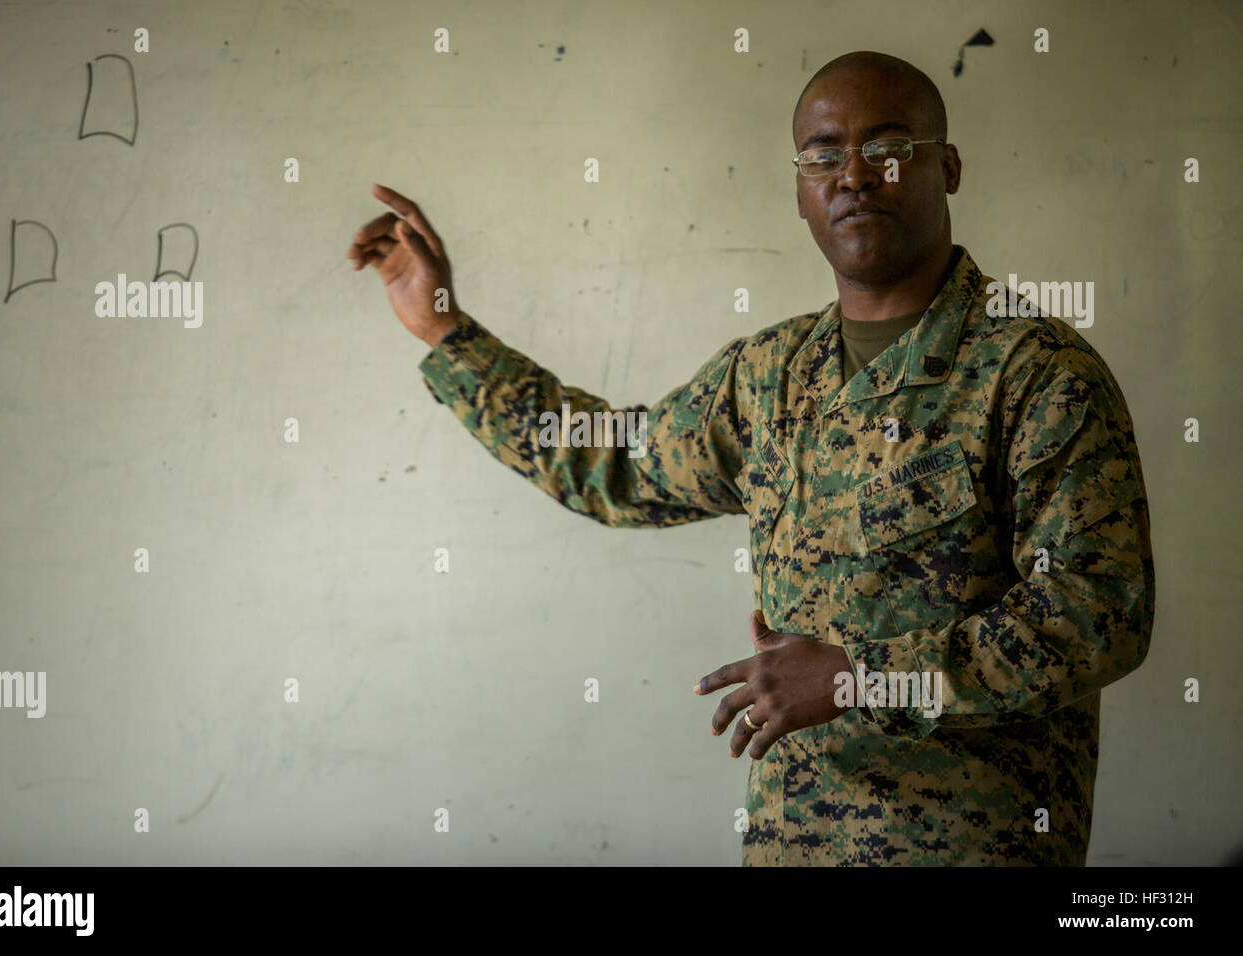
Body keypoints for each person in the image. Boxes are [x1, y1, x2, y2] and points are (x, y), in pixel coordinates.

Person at [346, 51, 1155, 866]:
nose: (854, 177)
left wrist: (860, 678)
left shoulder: (1037, 373)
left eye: (886, 147)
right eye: (823, 154)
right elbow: (616, 466)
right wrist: (448, 333)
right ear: (799, 190)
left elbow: (1097, 616)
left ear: (945, 167)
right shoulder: (769, 375)